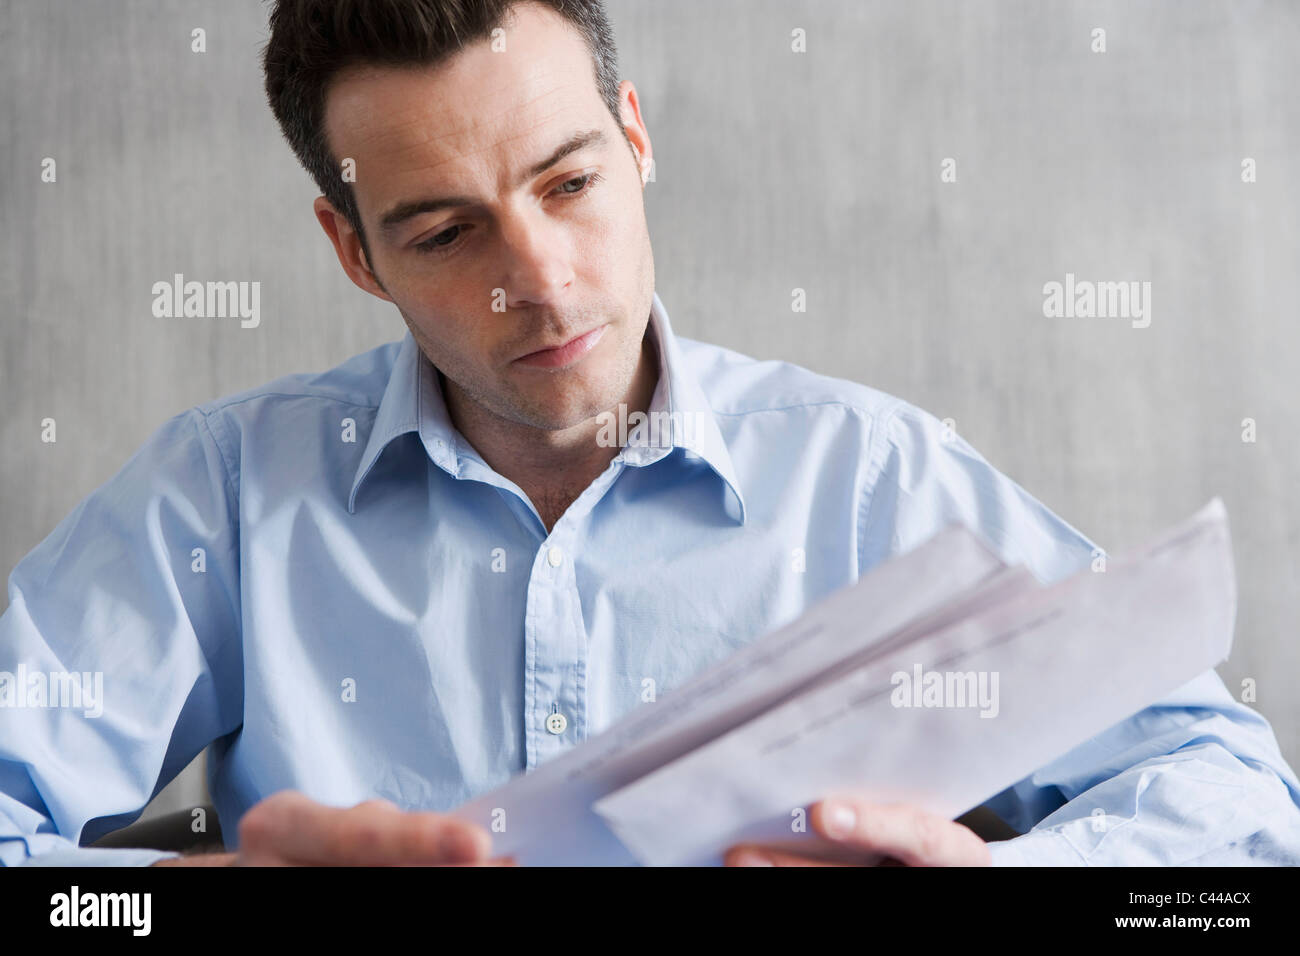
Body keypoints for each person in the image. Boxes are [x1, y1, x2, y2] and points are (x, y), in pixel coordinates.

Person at [3, 0, 1298, 867]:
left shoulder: (869, 482)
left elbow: (1239, 809)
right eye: (446, 233)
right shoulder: (222, 498)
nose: (544, 279)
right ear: (354, 252)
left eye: (570, 184)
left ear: (635, 141)